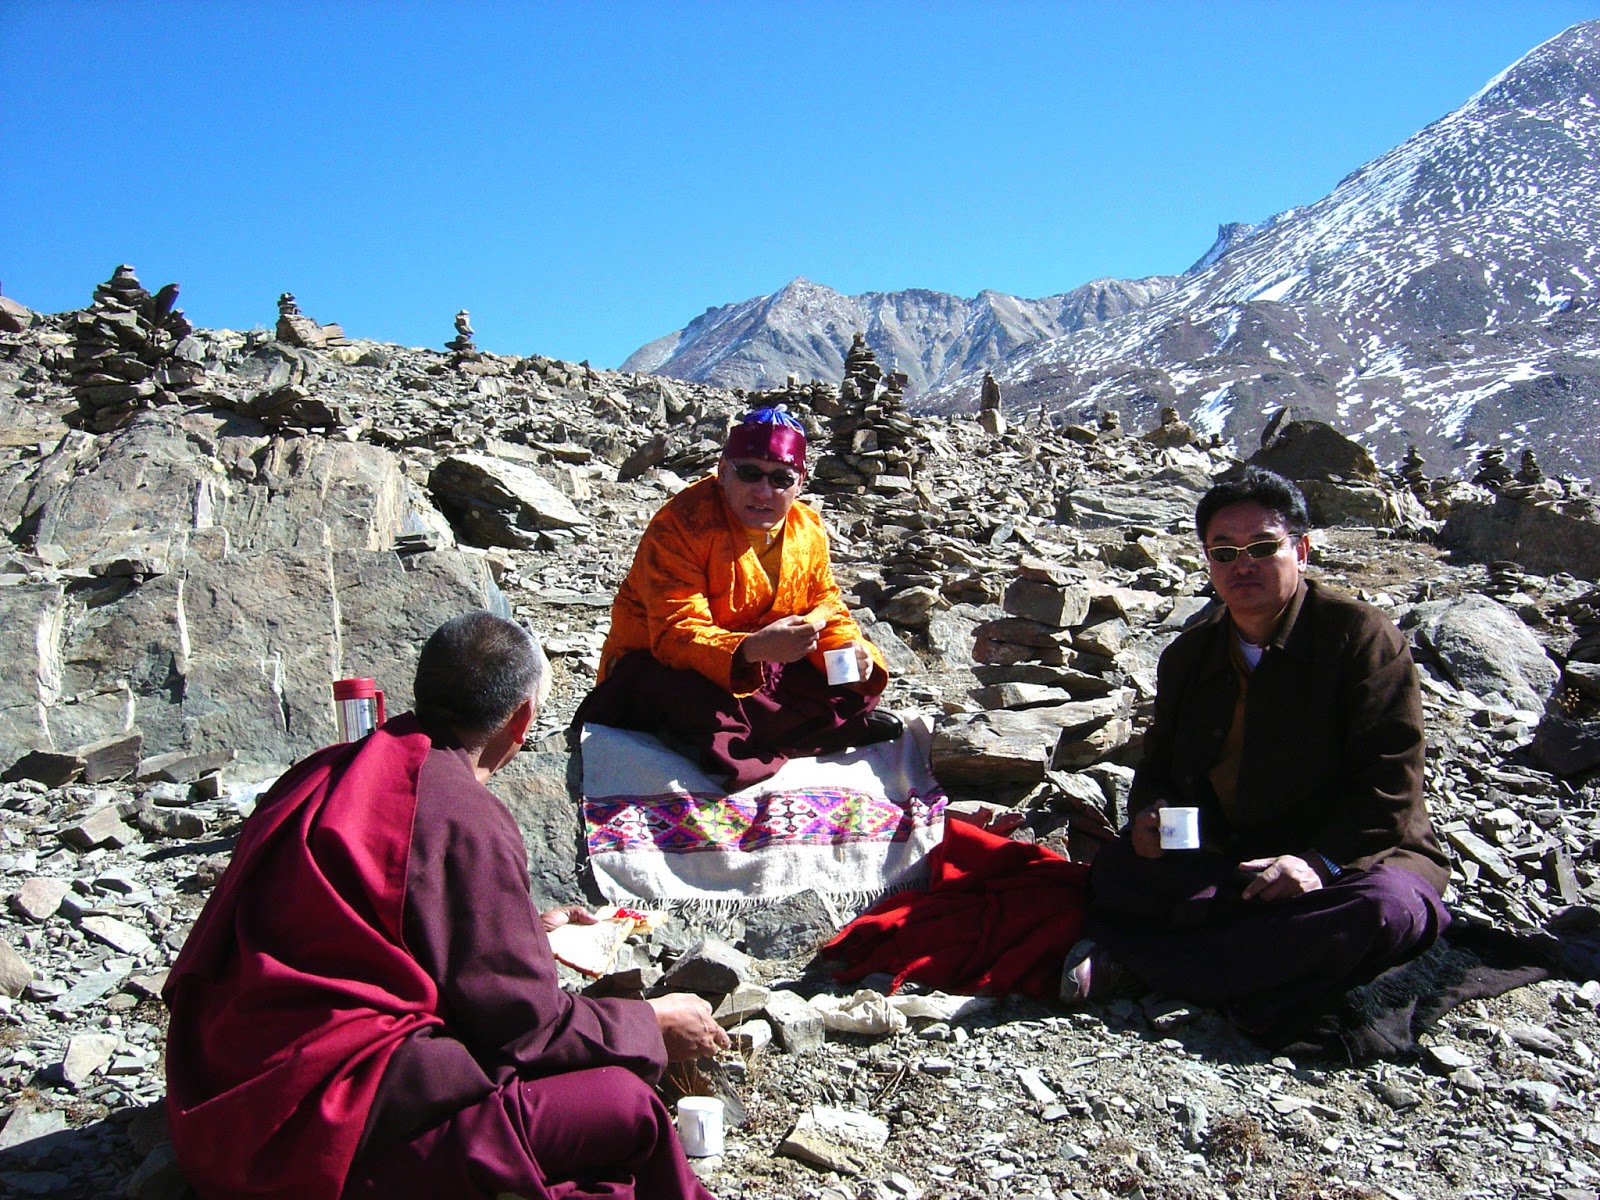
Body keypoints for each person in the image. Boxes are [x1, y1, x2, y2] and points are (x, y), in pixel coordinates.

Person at [164, 612, 730, 1200]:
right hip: (312, 1130)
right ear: (522, 719)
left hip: (214, 1092)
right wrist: (652, 1022)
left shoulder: (319, 773)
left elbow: (366, 929)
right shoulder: (461, 810)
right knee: (624, 1103)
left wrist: (525, 931)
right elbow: (523, 1030)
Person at [1067, 467, 1452, 1038]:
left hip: (1350, 860)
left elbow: (1389, 787)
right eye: (1223, 551)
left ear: (1301, 548)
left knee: (1383, 909)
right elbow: (1160, 769)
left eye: (1262, 547)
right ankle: (1258, 965)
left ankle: (1161, 963)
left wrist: (1317, 865)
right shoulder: (1190, 655)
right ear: (1206, 560)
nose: (1241, 564)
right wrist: (1151, 820)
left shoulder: (1360, 638)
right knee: (1120, 871)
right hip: (1233, 853)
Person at [571, 406, 899, 790]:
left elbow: (825, 606)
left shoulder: (807, 528)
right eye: (749, 473)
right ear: (723, 471)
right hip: (675, 664)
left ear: (800, 483)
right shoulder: (681, 525)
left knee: (846, 686)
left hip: (767, 657)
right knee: (684, 698)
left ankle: (789, 731)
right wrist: (751, 649)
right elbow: (675, 633)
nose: (763, 491)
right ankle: (803, 735)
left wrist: (846, 656)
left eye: (780, 479)